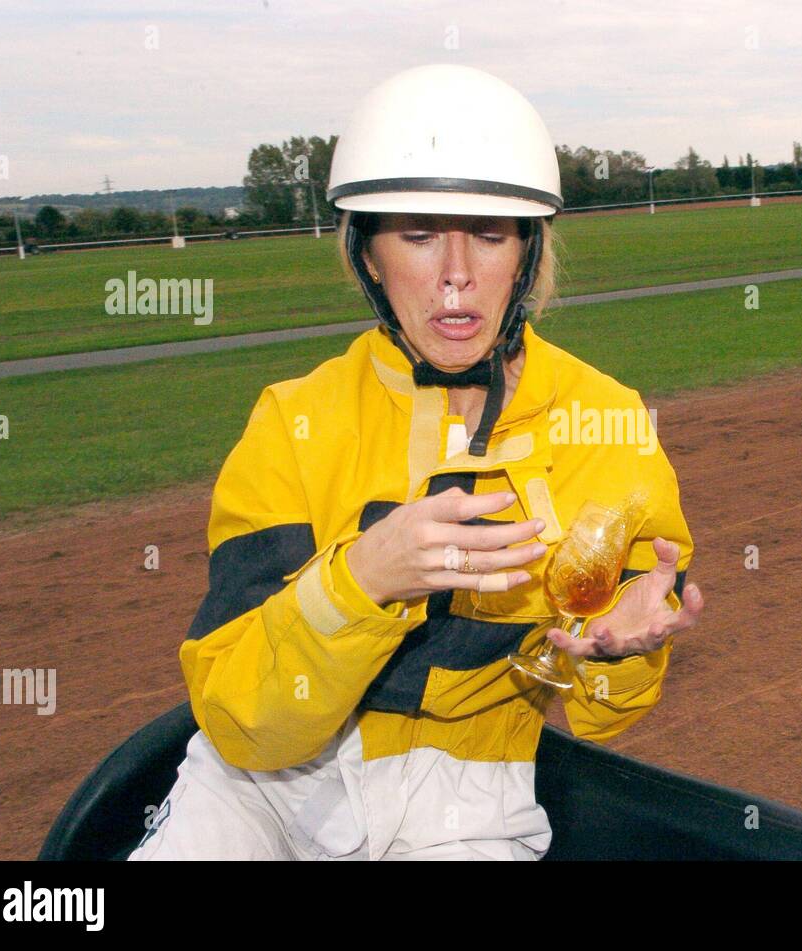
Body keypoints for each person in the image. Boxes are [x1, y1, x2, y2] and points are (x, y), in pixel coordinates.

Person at [128, 63, 703, 861]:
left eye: (491, 234)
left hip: (466, 806)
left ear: (528, 253)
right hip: (263, 789)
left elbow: (605, 711)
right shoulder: (292, 424)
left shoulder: (608, 424)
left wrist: (625, 652)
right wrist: (362, 580)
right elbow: (241, 720)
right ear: (368, 255)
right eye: (420, 234)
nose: (457, 273)